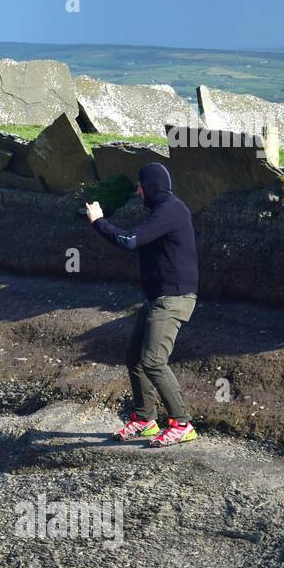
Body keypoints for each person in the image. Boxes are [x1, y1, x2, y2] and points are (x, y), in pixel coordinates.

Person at [85, 161, 199, 447]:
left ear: (150, 186)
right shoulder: (162, 212)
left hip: (173, 300)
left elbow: (129, 241)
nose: (137, 191)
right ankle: (144, 419)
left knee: (152, 360)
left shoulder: (170, 211)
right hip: (157, 299)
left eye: (139, 185)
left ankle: (182, 423)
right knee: (134, 357)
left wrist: (98, 221)